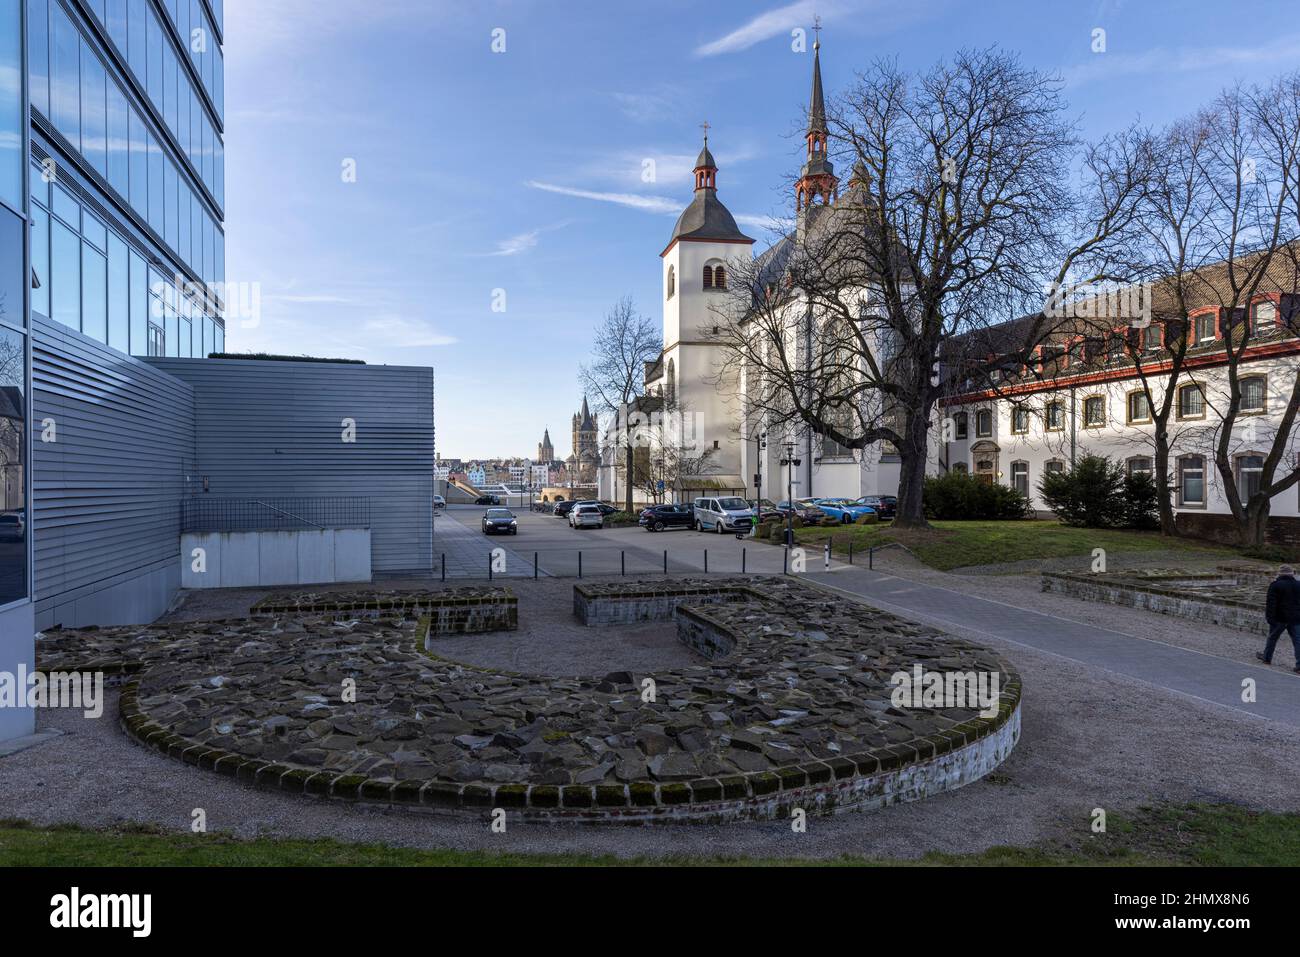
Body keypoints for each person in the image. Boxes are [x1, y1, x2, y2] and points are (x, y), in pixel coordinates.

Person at [1257, 564, 1300, 673]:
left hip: (1279, 618)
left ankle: (1267, 658)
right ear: (1292, 574)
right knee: (1298, 641)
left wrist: (1269, 618)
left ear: (1280, 573)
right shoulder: (1298, 585)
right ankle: (1299, 666)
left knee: (1272, 638)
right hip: (1296, 618)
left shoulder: (1276, 585)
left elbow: (1271, 604)